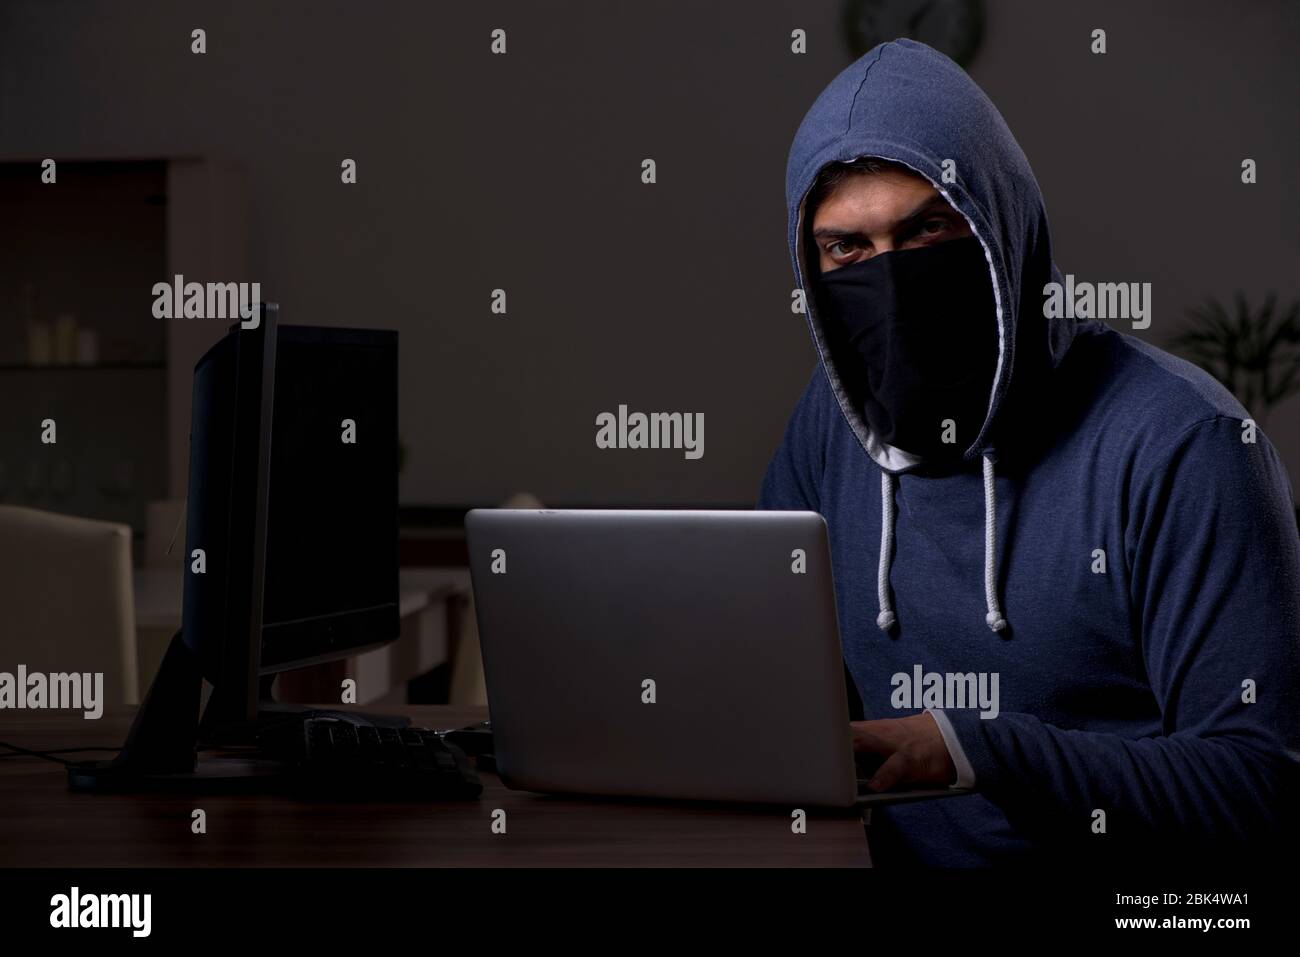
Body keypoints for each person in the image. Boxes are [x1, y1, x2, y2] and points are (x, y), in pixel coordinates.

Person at [759, 38, 1300, 866]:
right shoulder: (825, 433)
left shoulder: (1181, 444)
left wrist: (982, 751)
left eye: (928, 229)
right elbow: (777, 701)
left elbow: (1261, 784)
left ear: (1000, 228)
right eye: (848, 249)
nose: (890, 285)